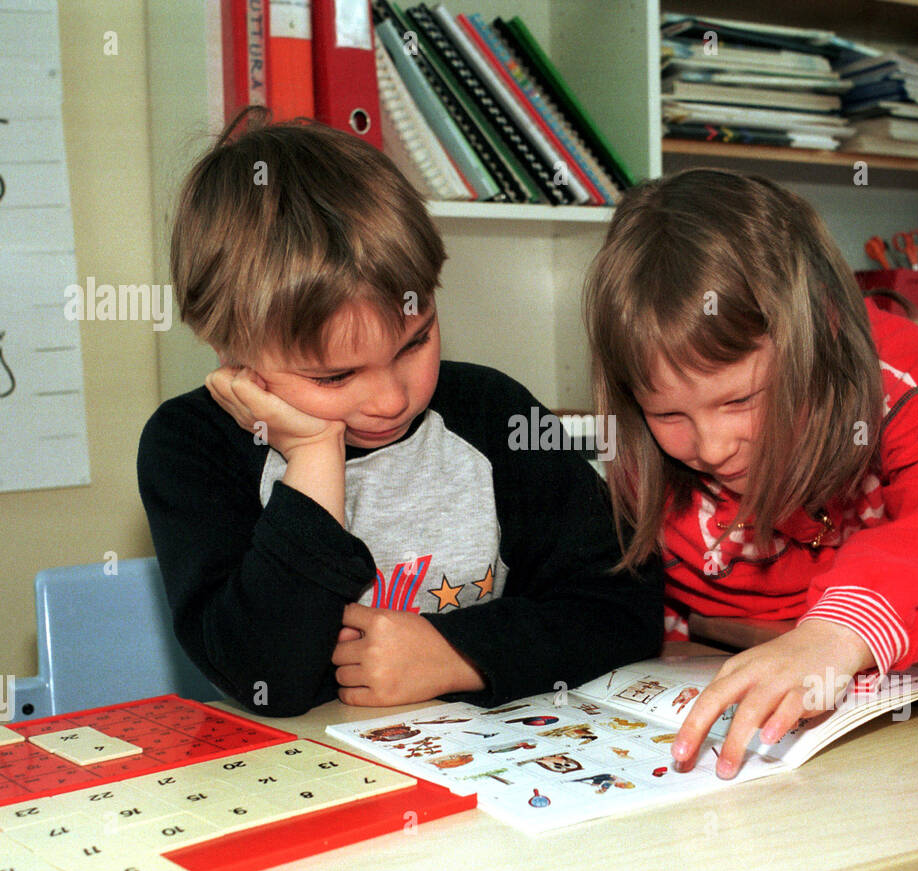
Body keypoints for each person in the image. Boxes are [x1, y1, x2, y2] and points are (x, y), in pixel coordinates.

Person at [583, 168, 918, 779]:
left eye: (740, 401)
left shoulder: (896, 370)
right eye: (668, 413)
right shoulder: (642, 445)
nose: (710, 447)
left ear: (819, 336)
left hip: (855, 644)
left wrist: (837, 635)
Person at [137, 109, 662, 717]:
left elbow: (626, 607)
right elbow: (266, 678)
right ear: (232, 356)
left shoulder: (496, 412)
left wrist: (455, 653)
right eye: (333, 375)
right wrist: (311, 461)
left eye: (415, 342)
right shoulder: (189, 448)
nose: (391, 400)